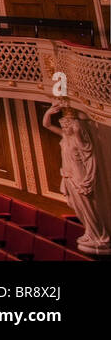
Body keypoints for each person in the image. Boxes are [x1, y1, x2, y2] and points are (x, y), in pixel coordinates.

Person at [42, 104, 110, 254]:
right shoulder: (65, 137)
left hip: (80, 178)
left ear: (75, 126)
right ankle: (90, 233)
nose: (65, 127)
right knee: (80, 207)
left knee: (90, 207)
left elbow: (85, 144)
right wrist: (49, 112)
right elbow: (46, 124)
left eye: (68, 125)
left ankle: (98, 234)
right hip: (68, 175)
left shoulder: (79, 141)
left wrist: (77, 127)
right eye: (63, 125)